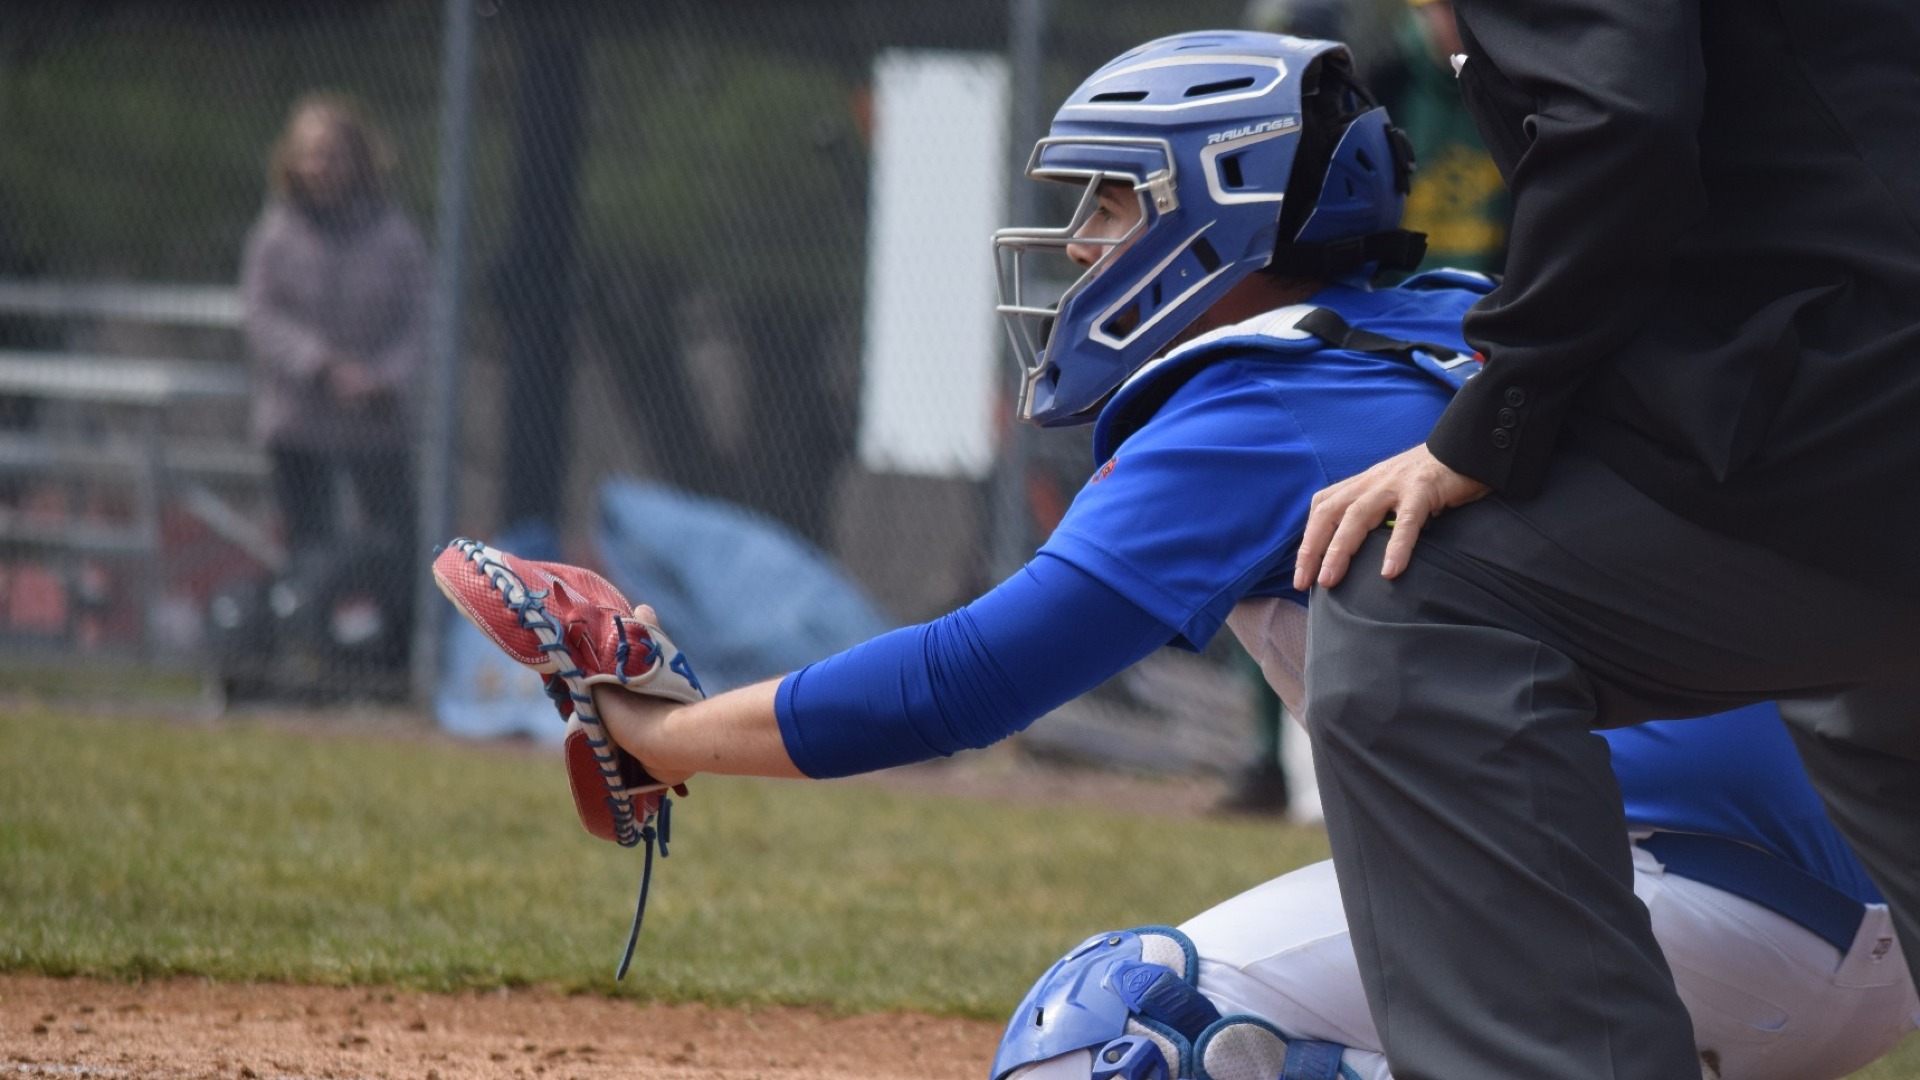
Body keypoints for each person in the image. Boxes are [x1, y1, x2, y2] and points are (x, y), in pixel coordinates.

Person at [1285, 0, 1920, 1075]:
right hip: (1867, 418)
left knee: (1419, 608)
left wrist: (1499, 411)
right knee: (1874, 705)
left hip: (1860, 416)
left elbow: (1621, 118)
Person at [992, 706, 1919, 1080]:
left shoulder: (1267, 403)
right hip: (1884, 949)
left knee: (1113, 1021)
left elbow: (978, 667)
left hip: (1704, 914)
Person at [240, 92, 429, 673]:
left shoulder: (394, 237)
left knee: (395, 551)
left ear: (359, 160)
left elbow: (424, 323)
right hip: (301, 422)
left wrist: (383, 378)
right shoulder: (277, 234)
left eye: (334, 155)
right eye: (311, 154)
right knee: (310, 553)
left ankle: (391, 670)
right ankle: (309, 668)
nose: (321, 167)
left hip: (374, 424)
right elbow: (260, 315)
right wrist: (321, 365)